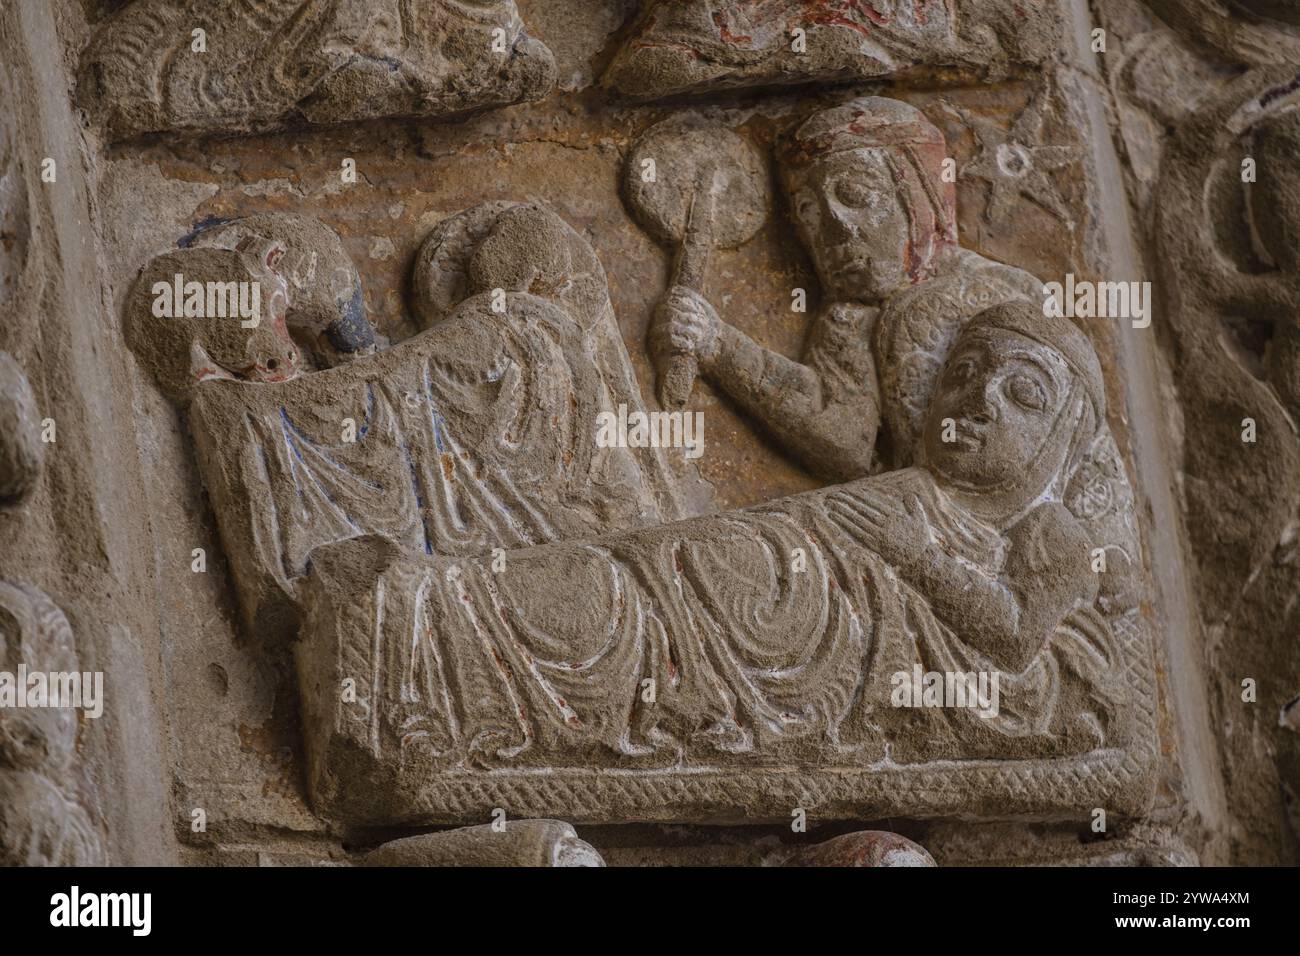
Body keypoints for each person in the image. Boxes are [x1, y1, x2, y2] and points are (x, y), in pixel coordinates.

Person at [299, 301, 1128, 771]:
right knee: (656, 569)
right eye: (966, 372)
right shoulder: (914, 484)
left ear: (1060, 440)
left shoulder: (1051, 530)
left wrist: (909, 553)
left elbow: (1016, 639)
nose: (980, 400)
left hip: (816, 627)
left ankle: (424, 642)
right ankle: (427, 612)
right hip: (779, 577)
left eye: (1024, 395)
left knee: (661, 595)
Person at [655, 96, 1041, 479]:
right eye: (809, 211)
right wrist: (716, 343)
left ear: (919, 199)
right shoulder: (849, 320)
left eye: (854, 195)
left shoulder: (1003, 294)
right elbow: (843, 438)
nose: (834, 226)